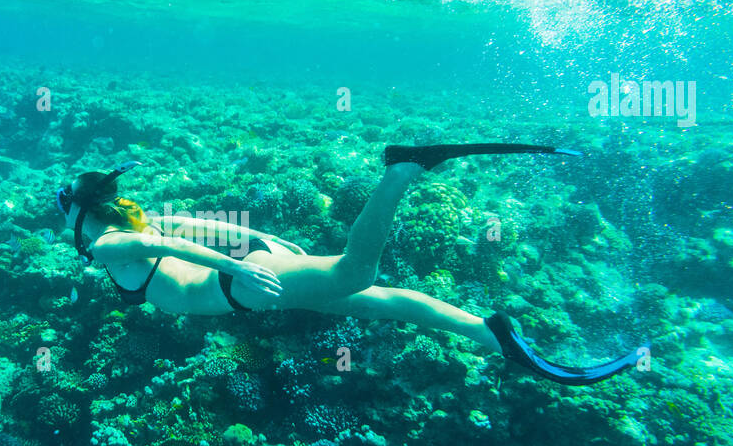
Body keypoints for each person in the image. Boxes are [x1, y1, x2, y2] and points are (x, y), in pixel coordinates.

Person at [54, 146, 643, 386]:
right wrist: (264, 240)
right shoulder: (139, 222)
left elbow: (182, 250)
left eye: (61, 211)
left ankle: (401, 172)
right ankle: (487, 335)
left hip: (240, 289)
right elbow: (196, 228)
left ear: (78, 212)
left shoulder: (105, 247)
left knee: (353, 275)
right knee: (371, 298)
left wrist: (250, 270)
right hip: (248, 272)